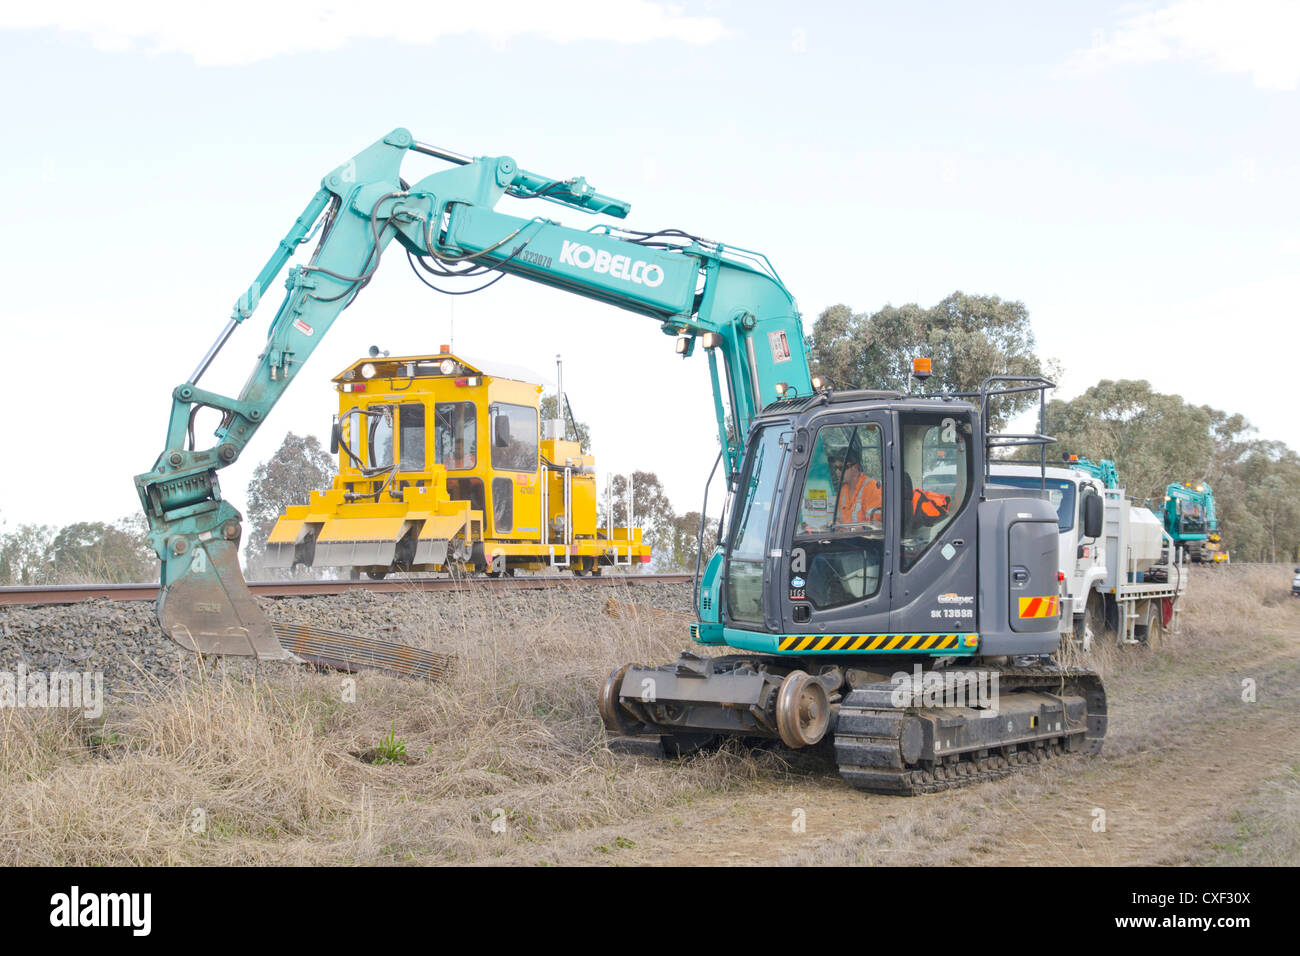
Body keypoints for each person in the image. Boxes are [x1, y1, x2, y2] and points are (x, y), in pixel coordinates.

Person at [836, 460, 883, 527]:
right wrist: (835, 525)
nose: (837, 471)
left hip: (865, 537)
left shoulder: (872, 487)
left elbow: (876, 525)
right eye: (836, 468)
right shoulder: (843, 490)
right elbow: (838, 519)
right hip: (846, 536)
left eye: (841, 468)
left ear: (855, 468)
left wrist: (851, 530)